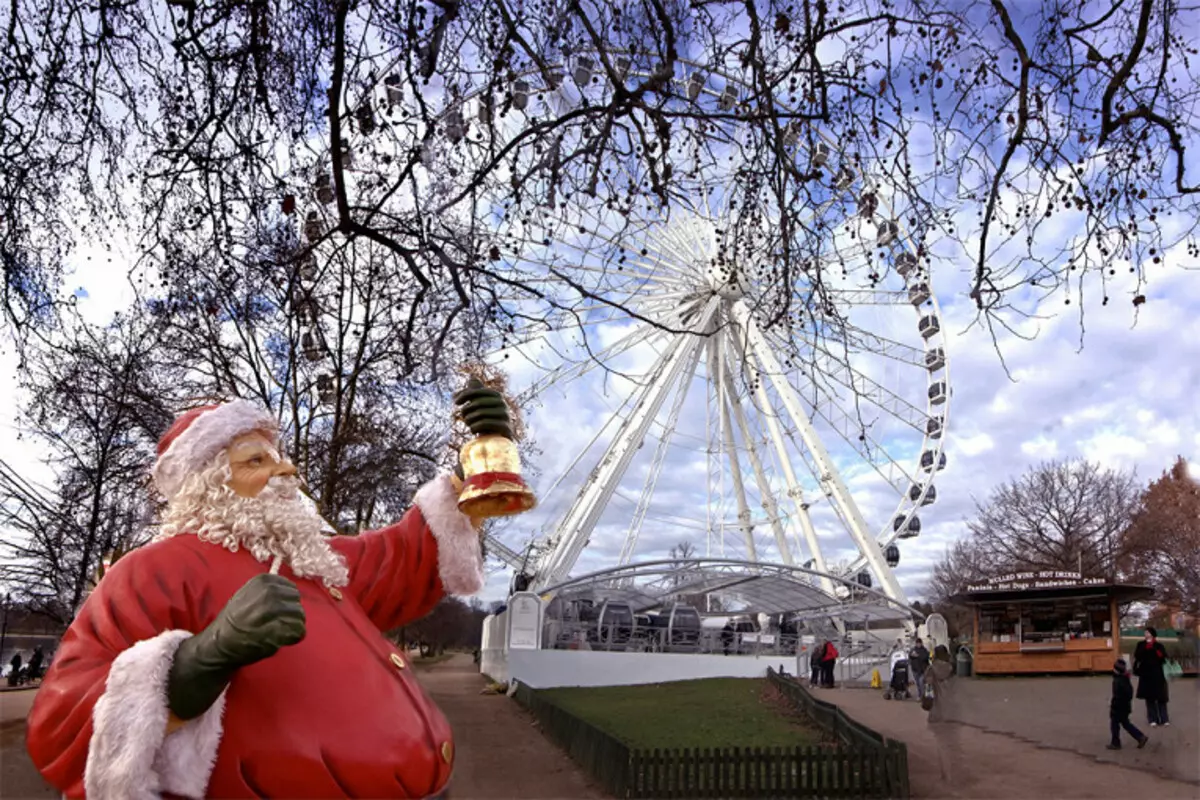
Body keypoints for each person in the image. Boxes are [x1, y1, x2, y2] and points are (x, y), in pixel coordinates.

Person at [27, 386, 512, 799]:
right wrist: (199, 660)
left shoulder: (315, 559)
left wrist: (472, 475)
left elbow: (399, 557)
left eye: (280, 458)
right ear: (207, 481)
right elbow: (63, 714)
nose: (285, 472)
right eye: (256, 460)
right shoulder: (156, 568)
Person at [1107, 659, 1149, 750]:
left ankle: (1116, 743)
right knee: (1125, 723)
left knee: (1116, 724)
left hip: (1119, 707)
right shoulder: (1124, 678)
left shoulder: (1118, 681)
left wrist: (1113, 704)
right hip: (1125, 706)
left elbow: (1118, 695)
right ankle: (1139, 737)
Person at [1133, 626, 1170, 726]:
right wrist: (1146, 648)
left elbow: (1163, 657)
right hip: (1146, 674)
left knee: (1161, 697)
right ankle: (1152, 719)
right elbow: (1137, 656)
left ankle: (1164, 718)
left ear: (1152, 634)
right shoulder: (1140, 644)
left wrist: (1153, 648)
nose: (1146, 634)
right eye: (1145, 633)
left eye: (1148, 633)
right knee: (1149, 697)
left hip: (1158, 674)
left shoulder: (1159, 645)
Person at [908, 637, 930, 702]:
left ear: (921, 643)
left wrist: (918, 656)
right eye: (917, 643)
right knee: (917, 683)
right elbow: (910, 656)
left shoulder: (924, 650)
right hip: (915, 669)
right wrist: (912, 655)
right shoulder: (913, 650)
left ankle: (923, 696)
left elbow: (925, 657)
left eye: (919, 643)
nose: (918, 645)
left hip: (923, 670)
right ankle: (920, 695)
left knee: (921, 682)